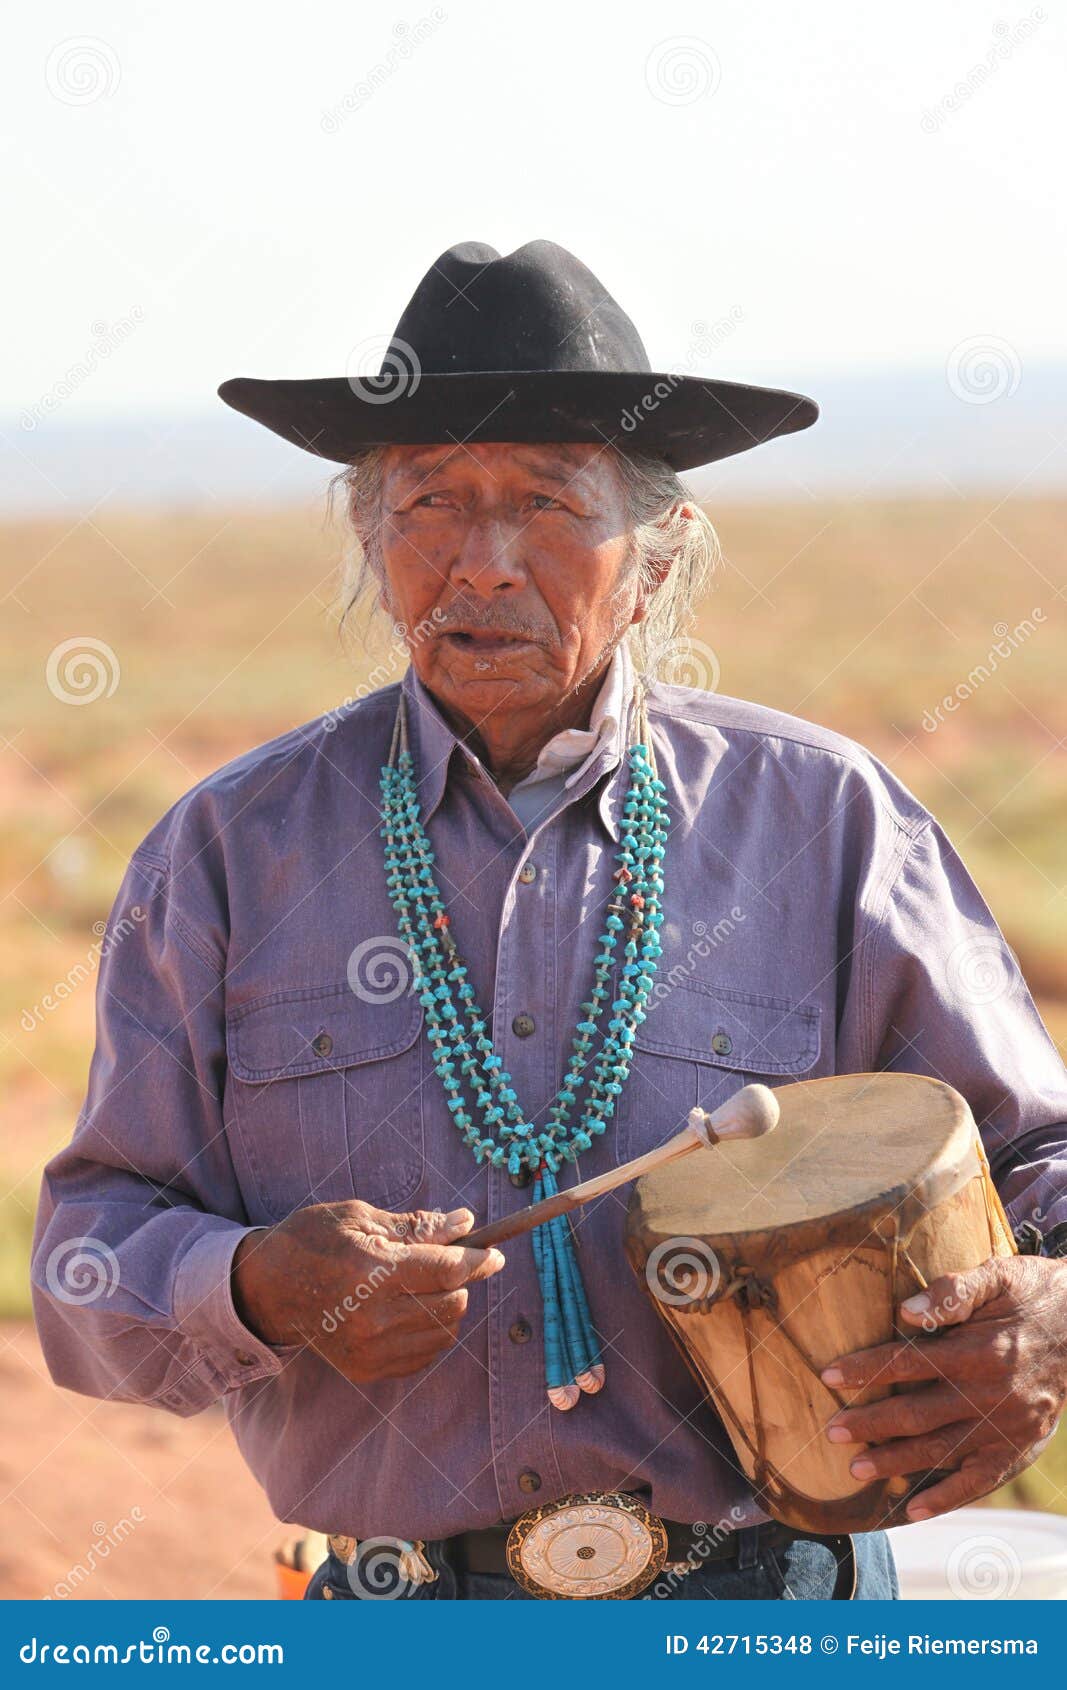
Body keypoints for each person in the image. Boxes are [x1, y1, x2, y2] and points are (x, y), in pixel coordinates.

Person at [32, 241, 1067, 1602]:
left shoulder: (825, 822)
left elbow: (1041, 1156)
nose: (484, 563)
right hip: (401, 1619)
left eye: (547, 503)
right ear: (366, 533)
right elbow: (83, 1261)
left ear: (657, 553)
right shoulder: (230, 855)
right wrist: (258, 1284)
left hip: (764, 1611)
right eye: (431, 503)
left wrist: (1054, 1317)